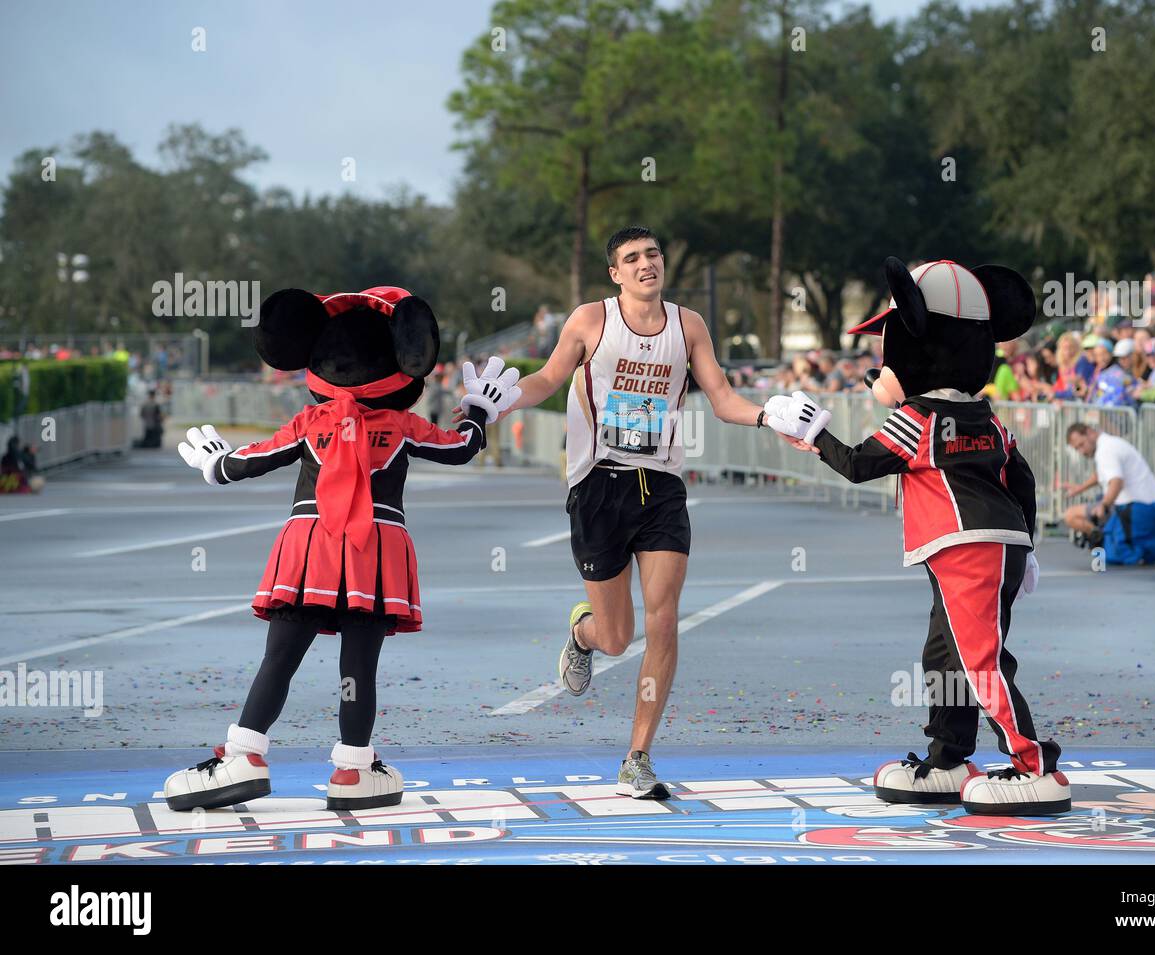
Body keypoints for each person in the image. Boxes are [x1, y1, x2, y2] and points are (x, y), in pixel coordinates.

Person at [162, 286, 516, 813]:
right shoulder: (400, 426)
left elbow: (249, 461)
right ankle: (353, 767)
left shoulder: (310, 424)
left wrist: (216, 463)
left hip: (310, 546)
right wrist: (477, 410)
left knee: (279, 657)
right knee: (359, 665)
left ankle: (244, 755)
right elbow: (461, 448)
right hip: (375, 549)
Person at [770, 256, 1069, 816]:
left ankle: (1036, 766)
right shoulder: (986, 416)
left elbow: (861, 465)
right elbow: (1019, 477)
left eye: (886, 358)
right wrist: (1026, 547)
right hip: (988, 546)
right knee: (944, 656)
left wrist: (814, 434)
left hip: (964, 549)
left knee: (978, 660)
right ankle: (949, 755)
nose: (877, 373)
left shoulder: (919, 419)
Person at [503, 225, 775, 799]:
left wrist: (771, 417)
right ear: (616, 274)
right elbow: (551, 378)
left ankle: (637, 758)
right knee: (617, 638)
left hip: (662, 487)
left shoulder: (689, 325)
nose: (646, 263)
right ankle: (583, 635)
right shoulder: (590, 321)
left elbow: (722, 398)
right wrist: (500, 397)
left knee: (664, 618)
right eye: (633, 258)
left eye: (653, 254)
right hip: (598, 486)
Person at [1063, 424, 1155, 564]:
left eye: (1081, 445)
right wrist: (1080, 488)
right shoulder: (1110, 443)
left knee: (1071, 515)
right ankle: (1101, 535)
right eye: (1077, 449)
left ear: (1090, 433)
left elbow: (1116, 481)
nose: (1081, 451)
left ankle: (1101, 538)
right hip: (1152, 505)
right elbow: (1102, 474)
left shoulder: (1106, 450)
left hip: (1138, 507)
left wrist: (1104, 505)